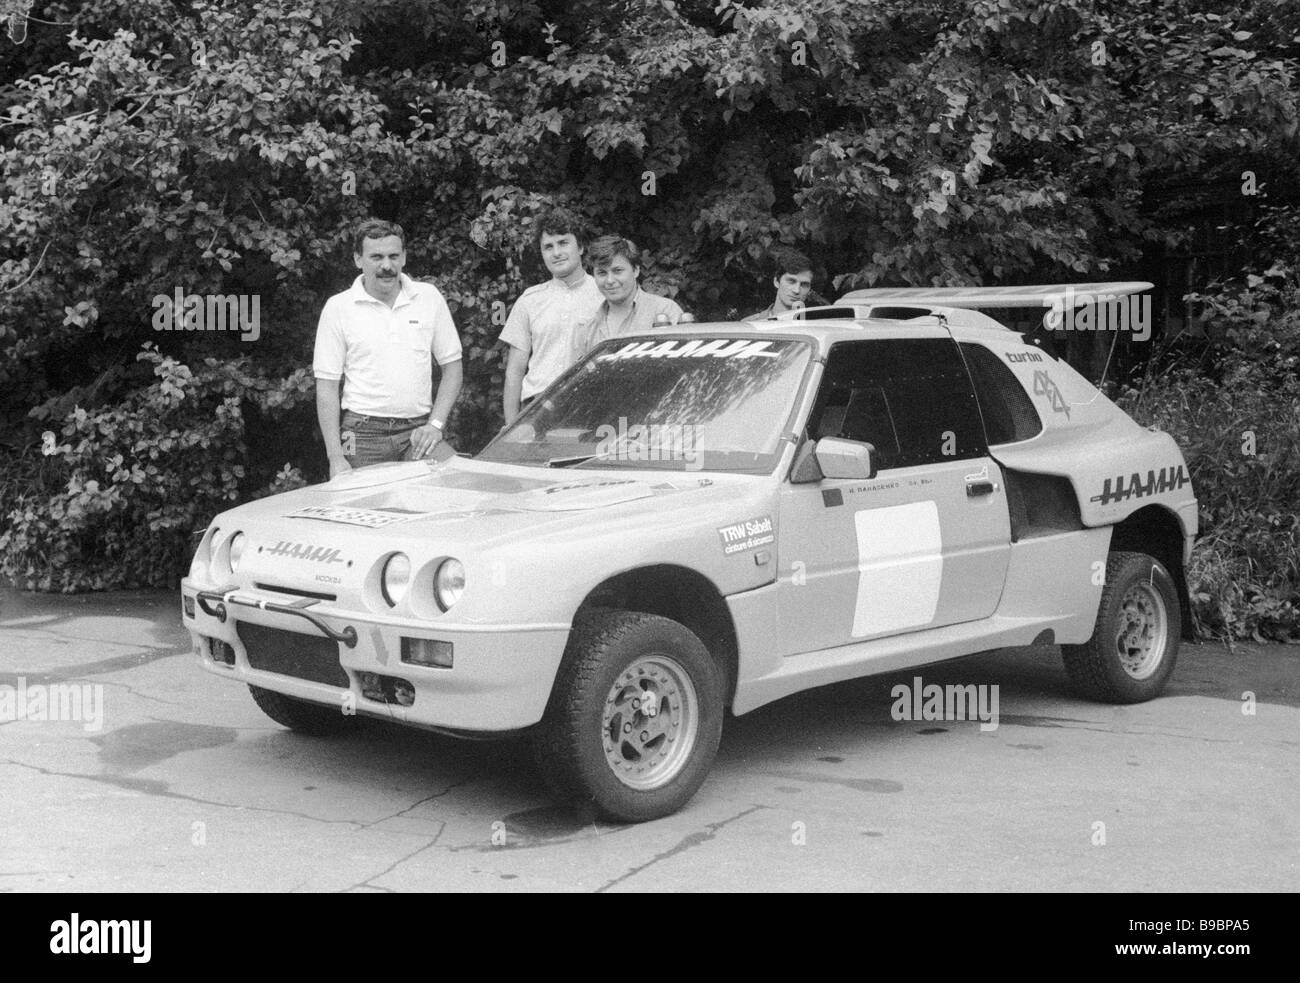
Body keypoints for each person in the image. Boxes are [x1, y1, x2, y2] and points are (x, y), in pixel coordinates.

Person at [313, 219, 463, 478]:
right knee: (367, 513)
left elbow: (453, 368)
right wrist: (336, 457)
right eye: (376, 257)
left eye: (394, 256)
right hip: (361, 435)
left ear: (404, 257)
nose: (386, 266)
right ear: (358, 260)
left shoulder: (428, 298)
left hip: (418, 433)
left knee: (456, 483)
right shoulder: (338, 308)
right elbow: (326, 387)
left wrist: (435, 425)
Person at [500, 207, 602, 424]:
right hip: (537, 410)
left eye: (563, 243)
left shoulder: (604, 295)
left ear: (581, 247)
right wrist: (510, 426)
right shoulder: (529, 300)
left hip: (590, 408)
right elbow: (514, 371)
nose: (556, 253)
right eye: (548, 247)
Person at [578, 235, 684, 353]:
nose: (610, 281)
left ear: (636, 270)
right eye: (602, 273)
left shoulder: (665, 311)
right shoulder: (589, 327)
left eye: (617, 271)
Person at [744, 249, 817, 320]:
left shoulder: (817, 327)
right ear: (776, 282)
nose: (796, 290)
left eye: (804, 284)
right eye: (791, 281)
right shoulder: (749, 325)